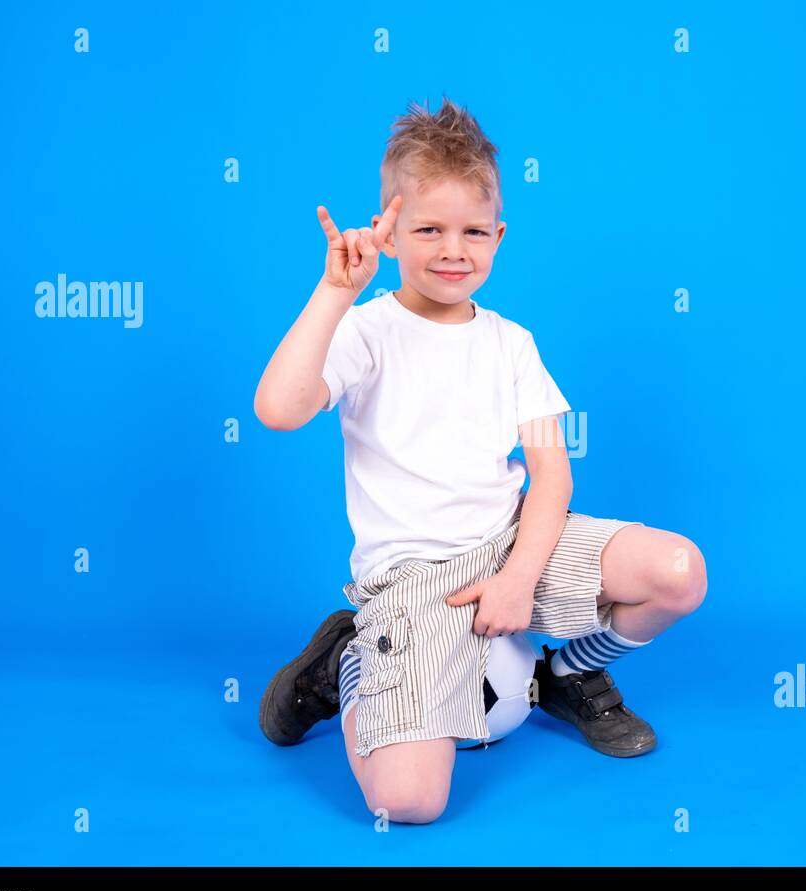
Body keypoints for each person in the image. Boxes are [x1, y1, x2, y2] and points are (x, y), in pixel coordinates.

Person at [253, 97, 707, 824]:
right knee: (409, 801)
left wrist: (519, 577)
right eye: (427, 229)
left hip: (509, 541)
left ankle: (565, 674)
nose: (451, 250)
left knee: (678, 573)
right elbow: (277, 410)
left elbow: (552, 473)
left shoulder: (510, 343)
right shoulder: (366, 332)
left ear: (498, 237)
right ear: (389, 233)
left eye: (471, 232)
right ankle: (347, 662)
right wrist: (334, 293)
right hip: (417, 579)